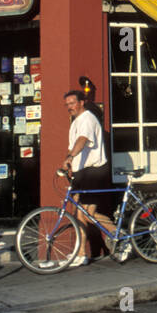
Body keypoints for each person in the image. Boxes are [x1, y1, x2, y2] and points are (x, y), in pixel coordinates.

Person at [60, 89, 116, 265]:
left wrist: (70, 157)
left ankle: (117, 233)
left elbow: (82, 140)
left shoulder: (87, 119)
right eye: (67, 104)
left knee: (88, 213)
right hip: (82, 172)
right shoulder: (76, 121)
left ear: (81, 102)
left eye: (72, 103)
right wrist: (67, 163)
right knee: (79, 214)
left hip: (93, 170)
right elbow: (73, 146)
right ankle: (82, 254)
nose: (69, 107)